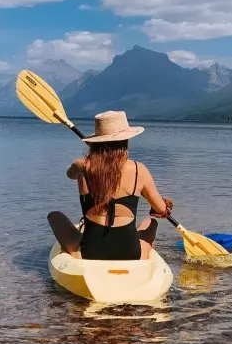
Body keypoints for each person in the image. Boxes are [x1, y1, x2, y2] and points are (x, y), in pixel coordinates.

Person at [47, 110, 173, 260]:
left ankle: (80, 247)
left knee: (54, 216)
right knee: (150, 222)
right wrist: (160, 207)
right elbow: (161, 211)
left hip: (90, 252)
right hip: (130, 253)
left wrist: (89, 161)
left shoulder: (82, 165)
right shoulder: (140, 170)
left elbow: (70, 175)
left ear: (96, 142)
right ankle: (140, 249)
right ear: (125, 141)